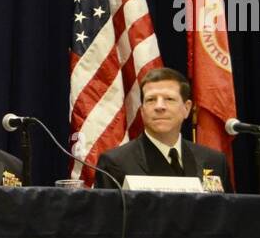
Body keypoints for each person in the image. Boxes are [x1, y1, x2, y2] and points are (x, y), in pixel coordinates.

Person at [95, 67, 232, 190]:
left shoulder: (214, 161)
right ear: (142, 111)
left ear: (186, 108)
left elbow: (226, 215)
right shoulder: (115, 164)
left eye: (169, 99)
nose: (159, 106)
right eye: (151, 100)